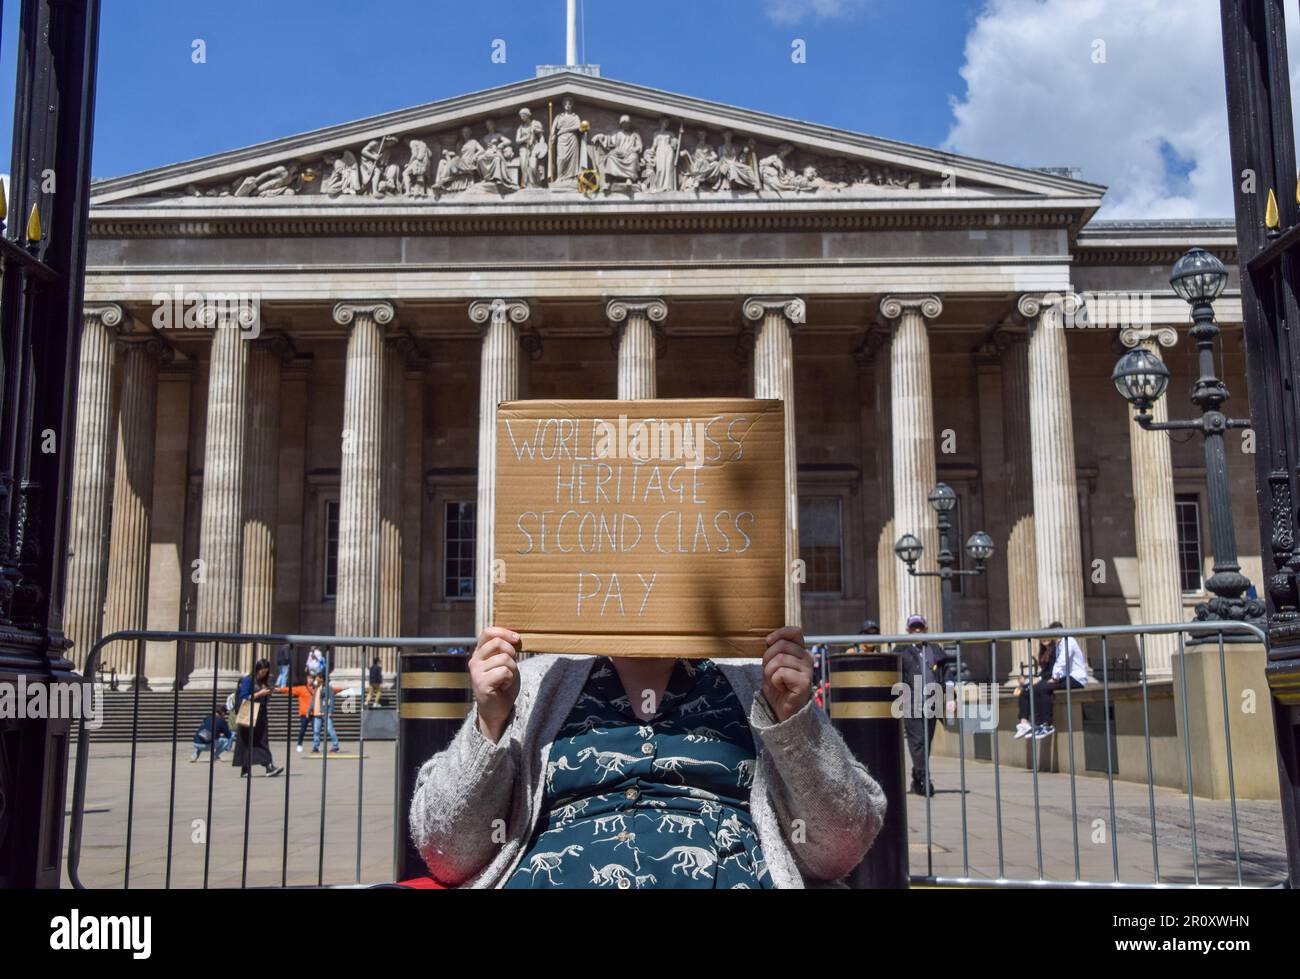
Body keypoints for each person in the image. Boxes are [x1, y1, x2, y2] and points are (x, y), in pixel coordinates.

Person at [408, 624, 885, 889]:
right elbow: (446, 852)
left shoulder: (754, 680)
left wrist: (794, 722)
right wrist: (490, 721)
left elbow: (839, 848)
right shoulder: (532, 684)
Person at [897, 613, 946, 797]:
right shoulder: (901, 650)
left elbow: (946, 673)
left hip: (933, 702)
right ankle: (925, 779)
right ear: (908, 630)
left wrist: (951, 697)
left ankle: (917, 777)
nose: (917, 630)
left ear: (925, 629)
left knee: (926, 741)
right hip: (912, 701)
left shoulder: (935, 650)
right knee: (917, 742)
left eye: (920, 627)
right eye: (914, 627)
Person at [1018, 622, 1087, 740]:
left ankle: (1047, 724)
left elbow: (1062, 662)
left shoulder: (1068, 641)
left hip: (1077, 678)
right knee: (1037, 687)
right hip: (1066, 677)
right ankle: (1038, 724)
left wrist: (1053, 678)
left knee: (1044, 687)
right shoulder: (1059, 645)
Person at [232, 658, 284, 778]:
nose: (264, 674)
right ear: (257, 670)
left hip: (260, 717)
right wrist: (259, 694)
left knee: (259, 741)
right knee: (250, 742)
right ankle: (264, 767)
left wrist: (270, 691)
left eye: (266, 672)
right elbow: (244, 697)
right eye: (262, 671)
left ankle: (254, 768)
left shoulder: (262, 682)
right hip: (249, 715)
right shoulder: (248, 680)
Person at [1013, 634, 1058, 740]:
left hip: (1054, 678)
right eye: (1042, 638)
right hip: (1045, 677)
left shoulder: (1056, 650)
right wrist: (1033, 679)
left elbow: (1054, 670)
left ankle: (1043, 723)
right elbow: (1044, 671)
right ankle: (1024, 722)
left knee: (1037, 688)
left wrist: (1039, 679)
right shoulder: (1043, 652)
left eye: (1047, 637)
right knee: (1023, 689)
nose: (1045, 639)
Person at [276, 676, 317, 753]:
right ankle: (299, 744)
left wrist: (342, 689)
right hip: (304, 713)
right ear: (307, 680)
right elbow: (291, 690)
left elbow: (330, 690)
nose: (310, 680)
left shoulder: (316, 689)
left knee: (315, 730)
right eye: (309, 679)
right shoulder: (302, 688)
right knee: (302, 730)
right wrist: (280, 689)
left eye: (312, 679)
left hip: (314, 713)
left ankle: (315, 746)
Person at [310, 674, 343, 754]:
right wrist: (309, 710)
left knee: (330, 729)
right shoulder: (316, 688)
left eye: (317, 678)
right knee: (316, 731)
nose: (316, 679)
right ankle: (316, 747)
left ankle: (335, 746)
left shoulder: (328, 688)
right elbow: (313, 701)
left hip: (325, 712)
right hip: (317, 713)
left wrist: (330, 711)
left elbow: (331, 699)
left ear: (322, 679)